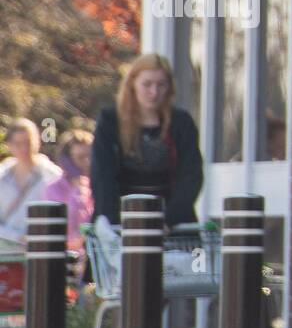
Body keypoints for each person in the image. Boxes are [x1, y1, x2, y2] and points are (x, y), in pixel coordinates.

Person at [91, 54, 203, 227]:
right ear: (133, 84)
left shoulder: (181, 123)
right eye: (147, 84)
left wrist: (167, 220)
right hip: (119, 221)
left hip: (171, 223)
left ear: (169, 87)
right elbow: (102, 176)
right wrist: (115, 221)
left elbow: (191, 176)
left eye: (161, 85)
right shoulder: (110, 121)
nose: (154, 92)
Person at [0, 118, 63, 244]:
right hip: (6, 249)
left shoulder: (51, 174)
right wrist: (16, 237)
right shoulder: (2, 175)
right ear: (10, 145)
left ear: (37, 142)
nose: (24, 148)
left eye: (28, 142)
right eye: (18, 144)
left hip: (42, 248)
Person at [41, 129, 96, 259]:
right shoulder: (52, 190)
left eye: (90, 156)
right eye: (80, 157)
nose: (87, 162)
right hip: (64, 258)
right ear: (67, 160)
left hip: (92, 256)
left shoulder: (97, 186)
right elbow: (66, 227)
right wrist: (77, 191)